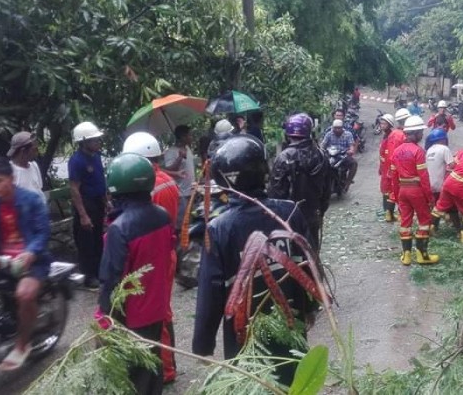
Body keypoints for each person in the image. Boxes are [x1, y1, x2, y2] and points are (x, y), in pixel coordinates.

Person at [193, 136, 315, 385]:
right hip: (291, 323)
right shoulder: (289, 211)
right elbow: (310, 267)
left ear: (224, 180)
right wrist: (310, 309)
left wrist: (203, 344)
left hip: (245, 337)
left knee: (252, 384)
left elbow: (211, 292)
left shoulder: (219, 229)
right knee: (294, 381)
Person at [99, 153, 173, 394]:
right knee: (152, 363)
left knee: (132, 375)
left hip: (131, 316)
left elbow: (111, 280)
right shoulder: (163, 216)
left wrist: (104, 317)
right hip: (157, 307)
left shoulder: (119, 229)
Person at [122, 132, 180, 383]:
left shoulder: (147, 187)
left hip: (152, 255)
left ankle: (165, 370)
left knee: (157, 312)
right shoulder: (168, 180)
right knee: (163, 308)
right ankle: (168, 365)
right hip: (166, 250)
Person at [0, 157, 51, 371]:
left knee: (24, 295)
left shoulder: (31, 200)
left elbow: (43, 232)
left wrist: (30, 253)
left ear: (11, 179)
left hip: (33, 262)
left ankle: (22, 344)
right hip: (2, 261)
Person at [268, 113, 331, 253]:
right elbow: (327, 189)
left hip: (288, 219)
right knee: (312, 253)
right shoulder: (321, 155)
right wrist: (320, 210)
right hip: (312, 214)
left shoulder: (283, 157)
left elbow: (275, 193)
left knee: (290, 258)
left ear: (288, 133)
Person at [389, 116, 439, 265]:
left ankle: (406, 256)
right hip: (416, 191)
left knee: (405, 222)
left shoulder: (396, 151)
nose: (422, 135)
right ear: (416, 133)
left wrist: (396, 196)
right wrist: (430, 198)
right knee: (424, 221)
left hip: (402, 191)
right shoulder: (418, 151)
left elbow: (394, 178)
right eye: (420, 133)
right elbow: (424, 177)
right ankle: (422, 255)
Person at [68, 121, 107, 289]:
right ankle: (88, 276)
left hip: (98, 203)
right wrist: (83, 215)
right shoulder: (76, 161)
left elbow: (100, 181)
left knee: (98, 239)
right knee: (86, 242)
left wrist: (106, 202)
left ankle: (99, 272)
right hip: (85, 204)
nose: (98, 142)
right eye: (94, 140)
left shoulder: (96, 157)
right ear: (84, 142)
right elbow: (74, 189)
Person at [164, 125, 196, 229]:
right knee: (182, 223)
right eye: (189, 135)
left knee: (191, 221)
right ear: (183, 137)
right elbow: (169, 170)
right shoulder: (171, 152)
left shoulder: (187, 148)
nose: (191, 137)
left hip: (191, 190)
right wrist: (180, 157)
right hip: (181, 193)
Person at [320, 119, 358, 190]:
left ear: (342, 127)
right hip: (330, 155)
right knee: (320, 165)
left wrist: (351, 150)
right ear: (333, 127)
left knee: (354, 163)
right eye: (335, 128)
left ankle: (348, 182)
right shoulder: (329, 134)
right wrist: (321, 150)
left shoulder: (348, 134)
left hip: (343, 155)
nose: (337, 130)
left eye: (339, 128)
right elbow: (323, 144)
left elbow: (351, 145)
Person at [7, 132, 44, 201]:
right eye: (34, 149)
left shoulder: (34, 166)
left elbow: (39, 189)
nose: (37, 152)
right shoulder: (8, 171)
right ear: (23, 151)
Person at [377, 113, 398, 222]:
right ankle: (387, 212)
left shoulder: (391, 136)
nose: (382, 125)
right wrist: (380, 167)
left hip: (389, 168)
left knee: (390, 190)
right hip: (385, 167)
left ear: (390, 125)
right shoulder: (385, 136)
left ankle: (389, 213)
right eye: (381, 123)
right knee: (386, 190)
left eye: (384, 124)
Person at [425, 128, 455, 201]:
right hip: (440, 186)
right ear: (443, 139)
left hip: (429, 184)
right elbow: (452, 165)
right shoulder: (444, 148)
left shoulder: (429, 150)